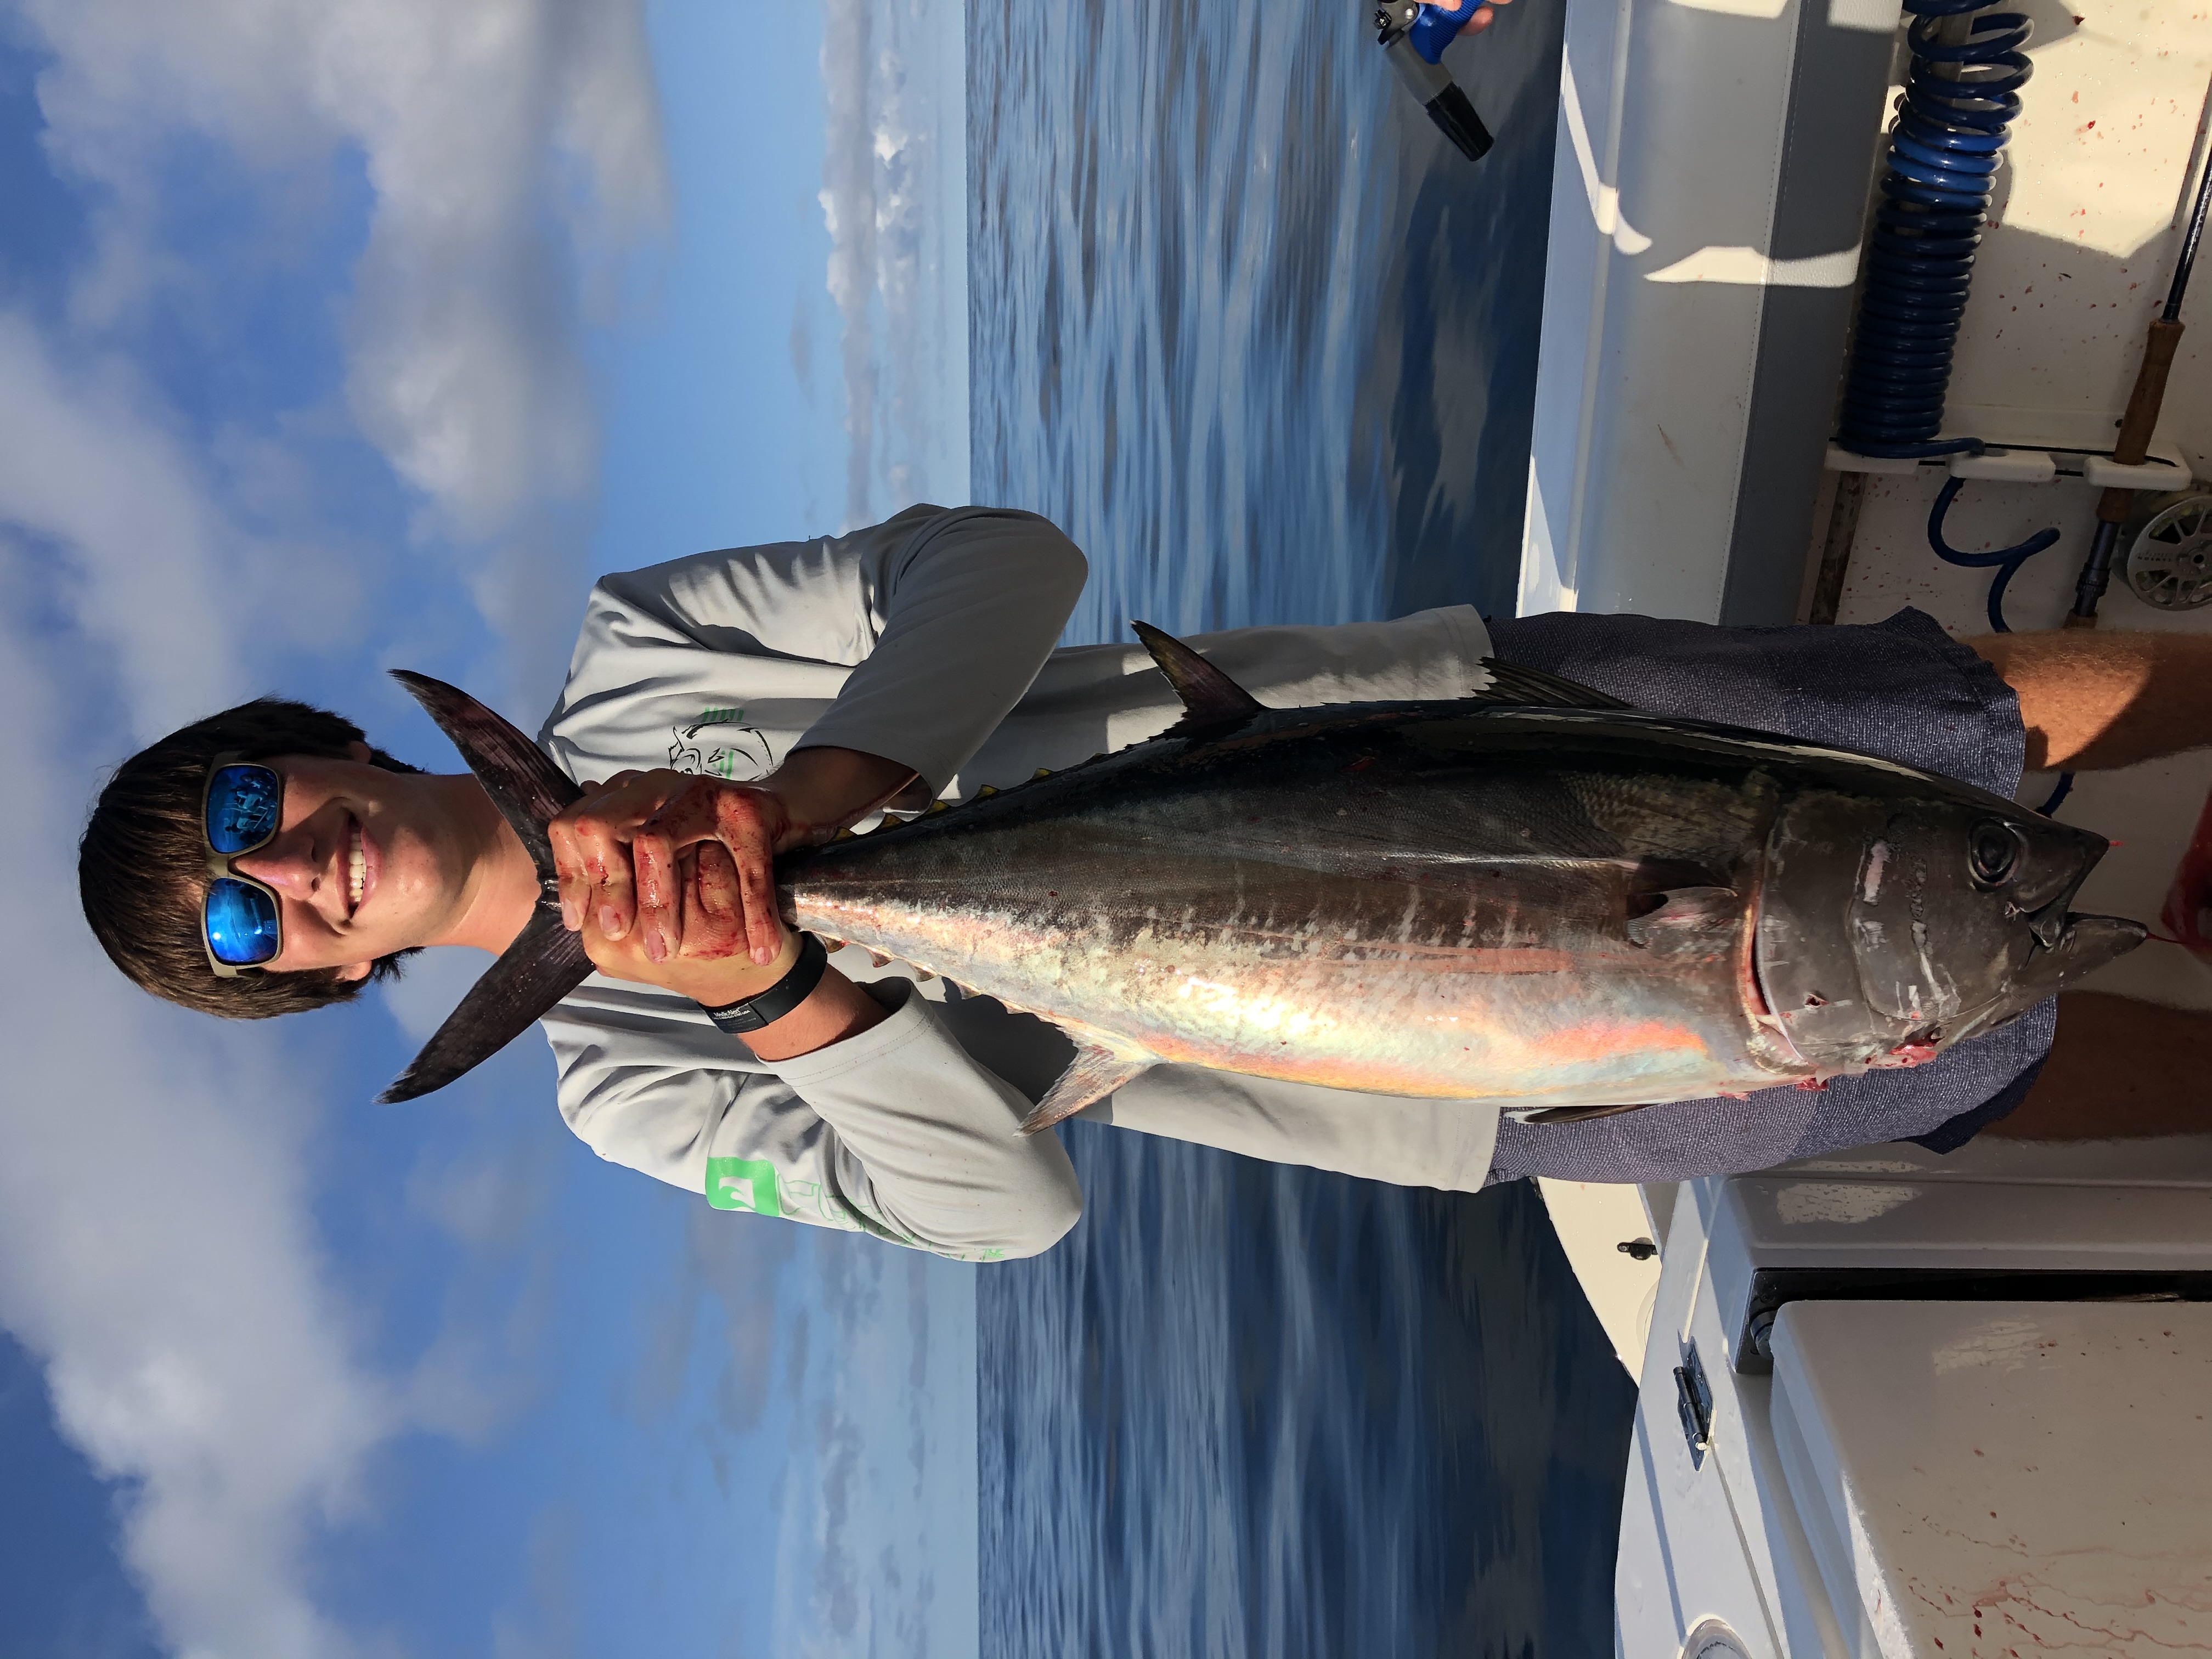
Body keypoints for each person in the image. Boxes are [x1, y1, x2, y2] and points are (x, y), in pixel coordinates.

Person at [78, 505, 2212, 1259]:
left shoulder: (655, 643)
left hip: (1462, 729)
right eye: (252, 922)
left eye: (253, 812)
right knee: (1961, 1070)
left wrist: (823, 791)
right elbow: (1002, 1216)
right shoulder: (631, 1090)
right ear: (316, 982)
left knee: (1966, 725)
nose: (290, 869)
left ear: (318, 746)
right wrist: (773, 993)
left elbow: (1001, 557)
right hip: (1444, 1075)